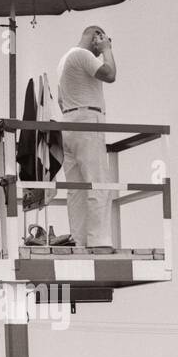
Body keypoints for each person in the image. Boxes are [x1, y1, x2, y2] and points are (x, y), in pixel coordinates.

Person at [57, 26, 117, 252]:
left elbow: (61, 99)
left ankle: (79, 239)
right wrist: (108, 49)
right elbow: (110, 74)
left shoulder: (64, 59)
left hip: (68, 120)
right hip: (87, 118)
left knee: (77, 187)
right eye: (102, 40)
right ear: (96, 37)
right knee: (98, 181)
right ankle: (99, 240)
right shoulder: (82, 55)